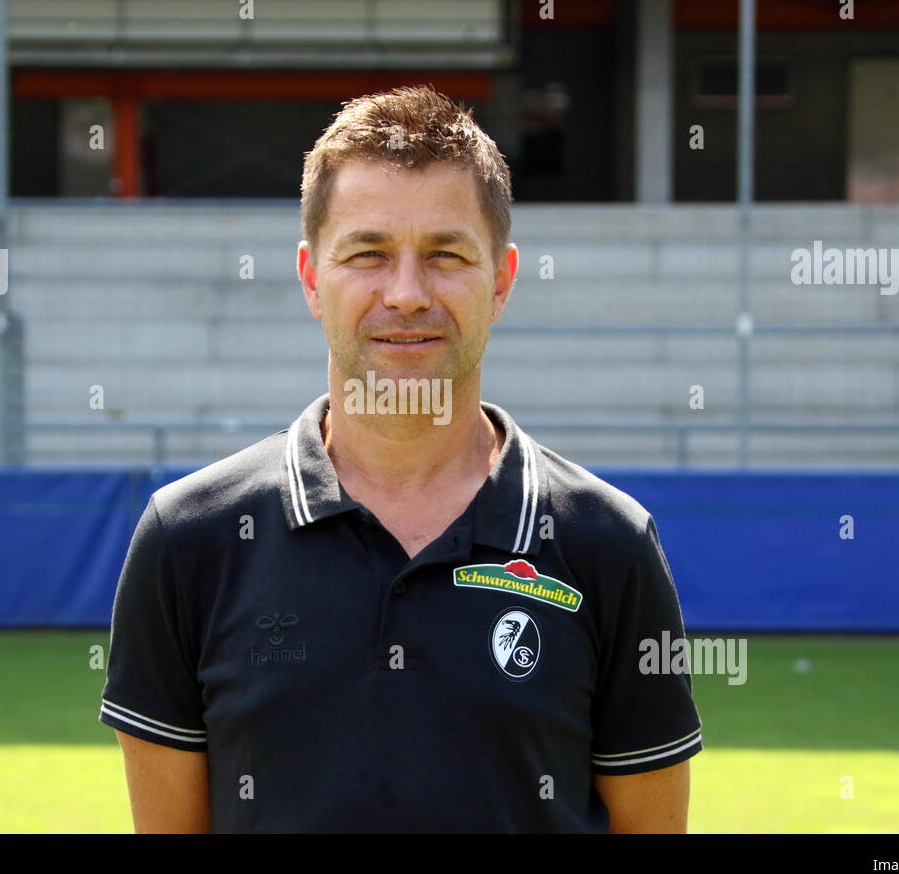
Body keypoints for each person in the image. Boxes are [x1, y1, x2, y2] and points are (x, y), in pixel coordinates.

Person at [99, 84, 702, 832]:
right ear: (312, 278)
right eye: (368, 254)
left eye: (445, 255)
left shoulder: (608, 544)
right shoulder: (188, 539)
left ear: (503, 280)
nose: (407, 293)